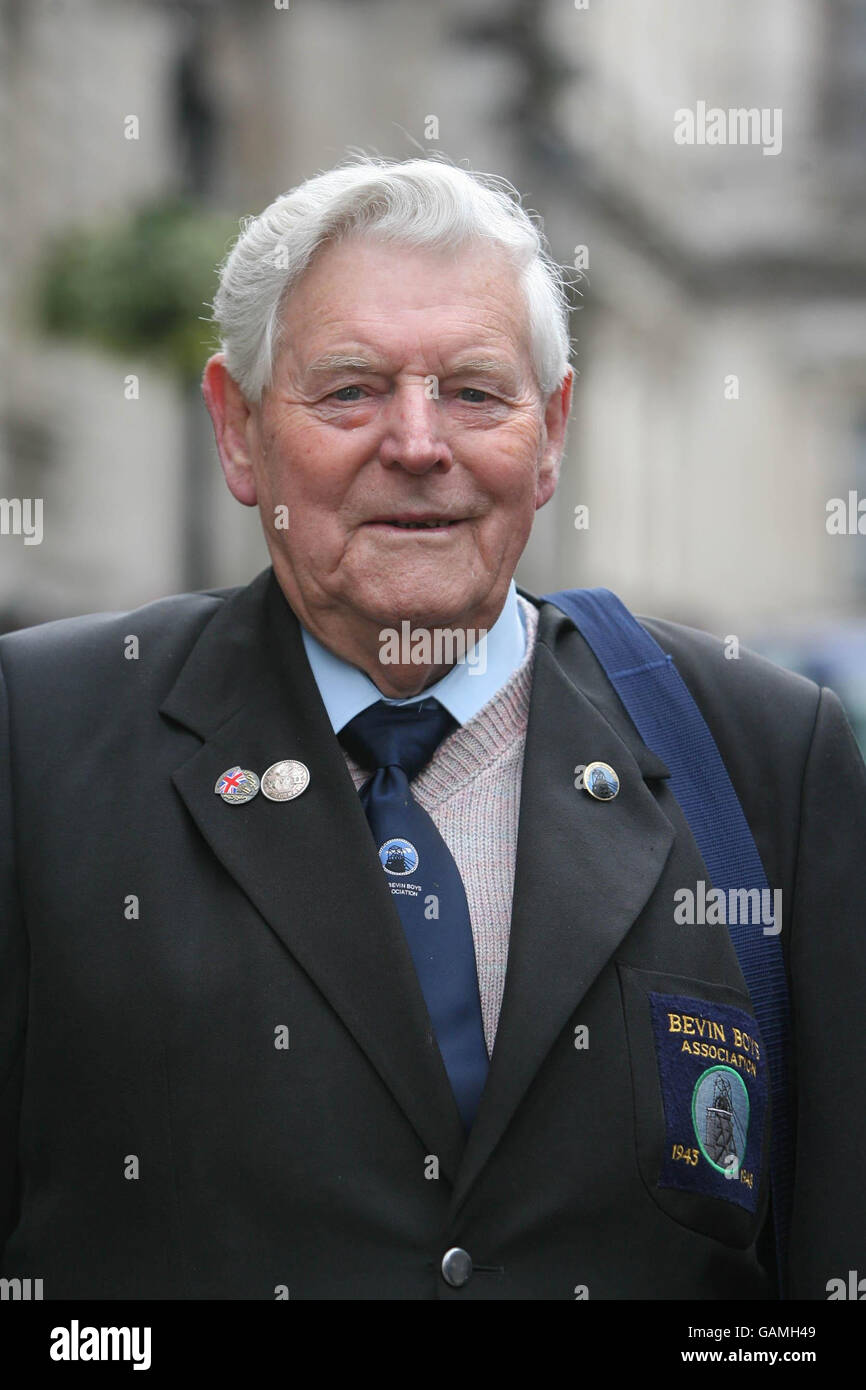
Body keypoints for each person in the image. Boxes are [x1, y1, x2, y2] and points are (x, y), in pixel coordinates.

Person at [1, 156, 863, 1301]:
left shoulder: (763, 752)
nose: (417, 443)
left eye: (472, 391)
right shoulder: (39, 735)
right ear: (240, 430)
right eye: (350, 389)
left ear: (549, 432)